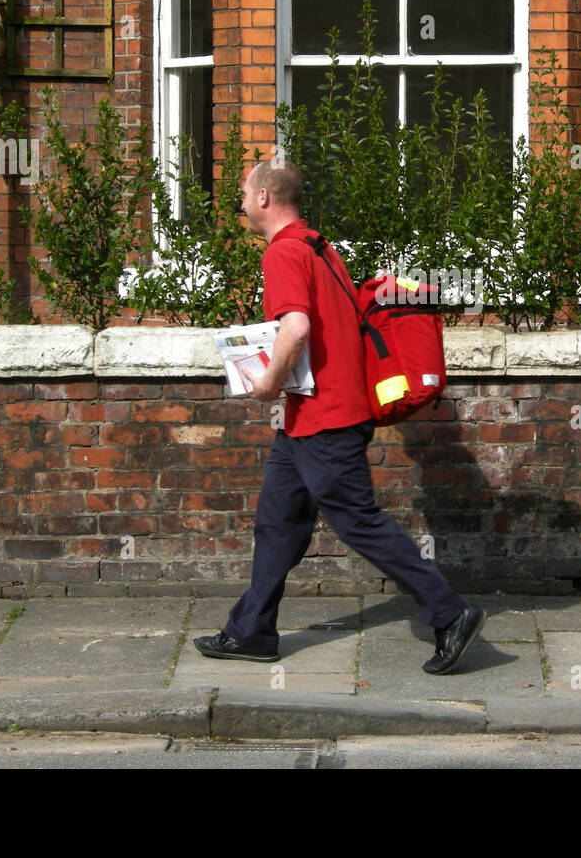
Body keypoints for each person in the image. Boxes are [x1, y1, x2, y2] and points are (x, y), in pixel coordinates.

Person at [194, 158, 485, 675]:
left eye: (244, 191)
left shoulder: (284, 252)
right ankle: (251, 632)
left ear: (264, 197)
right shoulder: (318, 245)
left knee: (358, 521)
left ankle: (450, 611)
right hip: (311, 416)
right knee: (278, 521)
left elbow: (297, 328)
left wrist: (265, 382)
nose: (239, 201)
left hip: (327, 416)